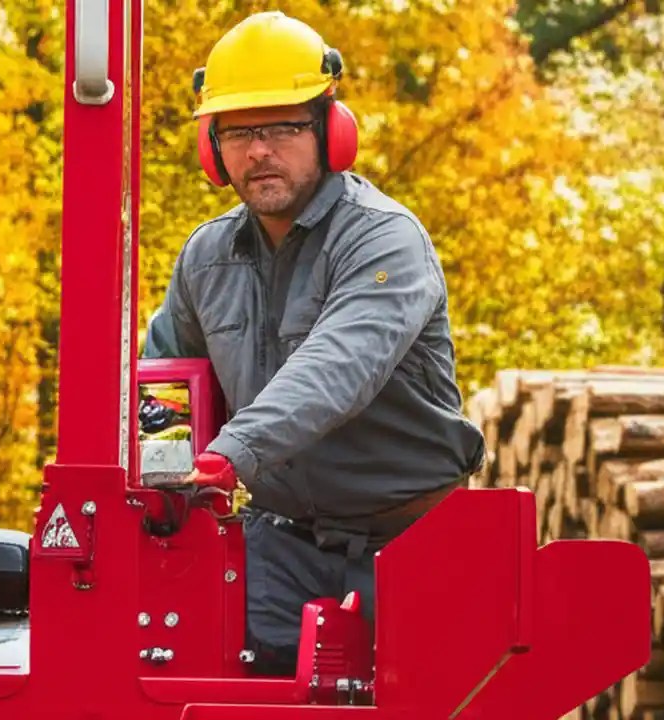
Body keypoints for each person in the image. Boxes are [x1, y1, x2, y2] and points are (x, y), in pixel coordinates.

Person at [140, 10, 485, 676]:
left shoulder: (383, 240)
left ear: (331, 132)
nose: (259, 151)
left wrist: (229, 455)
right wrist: (151, 474)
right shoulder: (205, 259)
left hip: (413, 544)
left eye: (282, 127)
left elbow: (337, 366)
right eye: (239, 132)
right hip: (279, 548)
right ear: (213, 149)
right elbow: (162, 383)